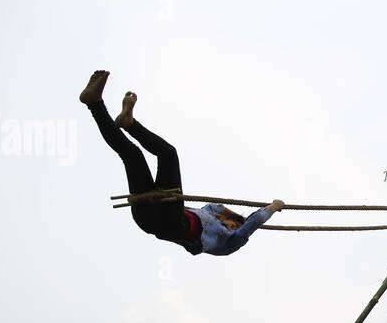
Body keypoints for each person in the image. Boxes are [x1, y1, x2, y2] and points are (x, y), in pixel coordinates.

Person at [80, 70, 285, 255]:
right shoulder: (208, 214)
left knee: (168, 155)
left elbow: (253, 223)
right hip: (155, 215)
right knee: (133, 155)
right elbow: (216, 207)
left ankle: (130, 124)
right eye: (232, 225)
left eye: (234, 228)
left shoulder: (230, 243)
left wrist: (273, 207)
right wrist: (234, 215)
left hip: (169, 222)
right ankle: (95, 104)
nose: (232, 229)